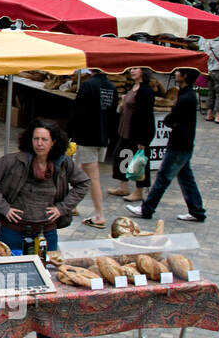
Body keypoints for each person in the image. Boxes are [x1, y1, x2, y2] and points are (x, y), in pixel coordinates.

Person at [0, 120, 90, 338]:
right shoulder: (14, 161)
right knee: (10, 285)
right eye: (36, 139)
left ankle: (47, 336)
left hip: (46, 232)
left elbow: (83, 183)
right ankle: (8, 335)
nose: (39, 143)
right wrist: (4, 207)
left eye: (44, 140)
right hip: (13, 231)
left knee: (47, 285)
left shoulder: (62, 163)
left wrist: (62, 208)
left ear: (53, 142)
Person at [128, 70, 206, 223]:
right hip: (184, 142)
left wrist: (171, 116)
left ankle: (147, 208)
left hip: (179, 144)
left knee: (163, 177)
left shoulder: (185, 98)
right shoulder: (187, 95)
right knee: (186, 178)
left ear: (184, 76)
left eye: (178, 72)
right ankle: (197, 210)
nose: (176, 73)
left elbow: (170, 119)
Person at [67, 68, 119, 228]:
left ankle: (99, 215)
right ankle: (72, 205)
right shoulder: (112, 88)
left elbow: (77, 112)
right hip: (102, 138)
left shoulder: (87, 85)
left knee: (92, 176)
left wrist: (71, 134)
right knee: (80, 170)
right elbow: (113, 114)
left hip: (86, 137)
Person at [107, 67, 156, 203]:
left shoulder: (145, 91)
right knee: (121, 156)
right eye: (132, 69)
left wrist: (143, 139)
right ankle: (123, 186)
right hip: (126, 131)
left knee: (139, 162)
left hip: (138, 134)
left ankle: (139, 191)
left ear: (143, 72)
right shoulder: (134, 87)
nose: (132, 71)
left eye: (136, 69)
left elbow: (146, 116)